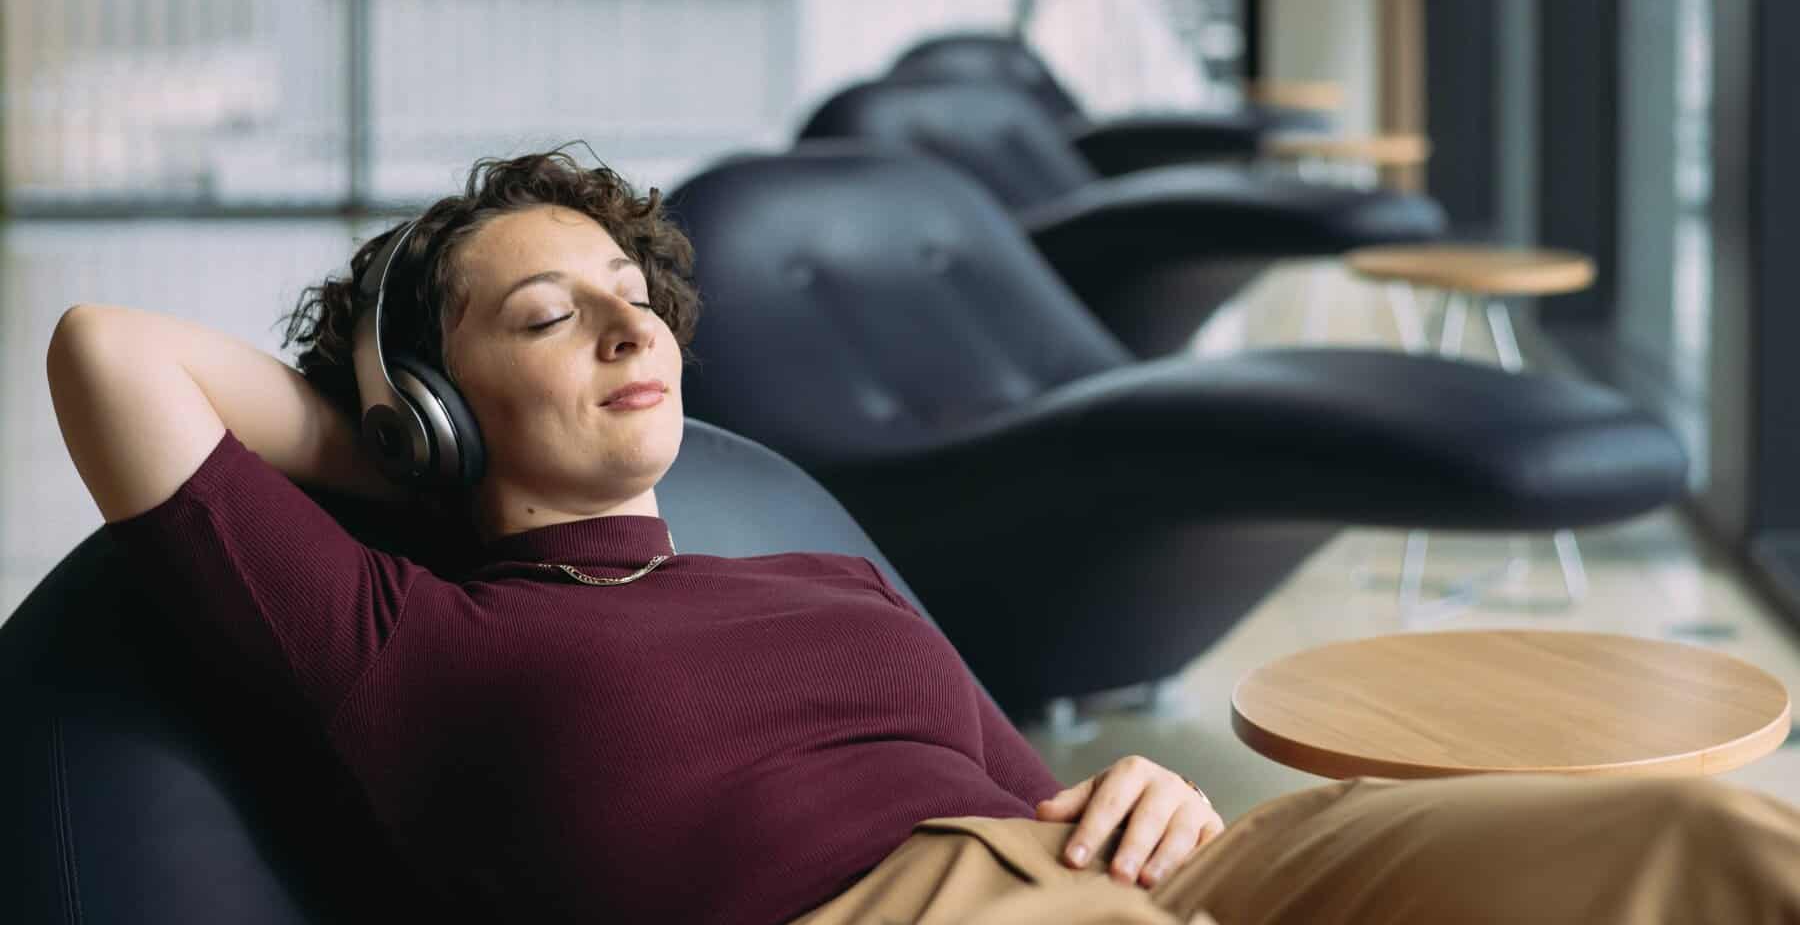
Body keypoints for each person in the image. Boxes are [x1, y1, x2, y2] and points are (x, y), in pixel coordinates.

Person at [44, 148, 1800, 925]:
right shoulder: (397, 636)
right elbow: (110, 356)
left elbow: (1039, 801)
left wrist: (1155, 797)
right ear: (434, 404)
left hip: (1183, 878)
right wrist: (392, 441)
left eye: (629, 296)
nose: (623, 329)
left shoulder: (814, 567)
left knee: (1694, 845)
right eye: (542, 317)